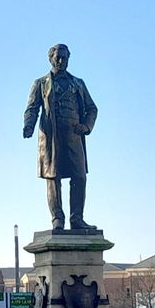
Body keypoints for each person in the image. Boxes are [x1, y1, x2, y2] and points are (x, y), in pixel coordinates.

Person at [23, 44, 98, 231]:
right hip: (51, 136)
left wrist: (87, 126)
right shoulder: (41, 83)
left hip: (74, 135)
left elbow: (92, 108)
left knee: (79, 177)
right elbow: (32, 108)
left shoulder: (78, 83)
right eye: (58, 57)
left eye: (64, 57)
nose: (61, 61)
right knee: (53, 178)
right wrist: (29, 125)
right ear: (50, 58)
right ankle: (57, 219)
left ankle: (77, 219)